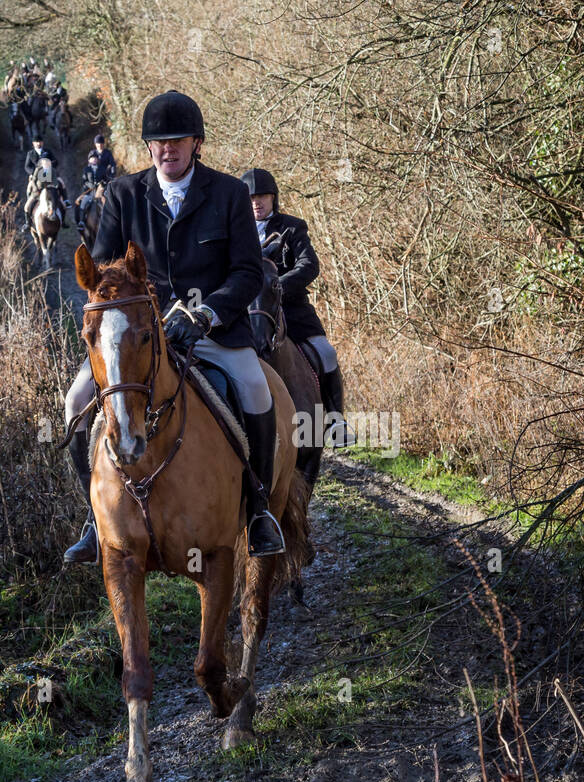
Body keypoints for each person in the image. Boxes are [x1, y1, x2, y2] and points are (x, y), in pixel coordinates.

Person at [63, 90, 281, 564]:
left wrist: (207, 313)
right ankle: (94, 520)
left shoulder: (228, 194)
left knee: (255, 388)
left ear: (196, 143)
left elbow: (248, 271)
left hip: (214, 333)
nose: (168, 150)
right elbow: (102, 273)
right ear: (148, 147)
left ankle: (260, 511)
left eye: (178, 141)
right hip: (139, 336)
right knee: (76, 400)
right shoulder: (123, 194)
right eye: (159, 142)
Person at [242, 168, 354, 447]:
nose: (257, 202)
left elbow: (308, 265)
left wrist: (277, 286)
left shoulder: (292, 228)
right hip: (249, 312)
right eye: (251, 197)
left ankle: (336, 421)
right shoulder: (234, 232)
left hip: (291, 308)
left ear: (273, 197)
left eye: (262, 196)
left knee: (326, 353)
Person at [24, 157, 70, 228]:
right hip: (38, 191)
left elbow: (55, 181)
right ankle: (28, 223)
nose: (46, 165)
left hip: (50, 191)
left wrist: (54, 186)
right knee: (26, 206)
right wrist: (36, 188)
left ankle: (63, 222)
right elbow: (33, 181)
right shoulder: (38, 170)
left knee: (63, 205)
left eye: (48, 164)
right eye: (44, 164)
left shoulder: (53, 170)